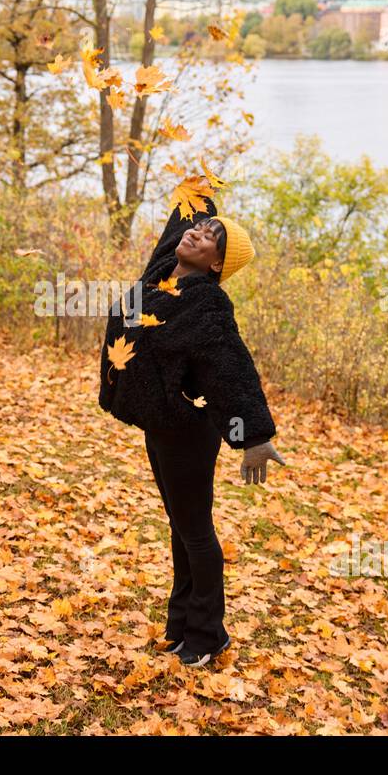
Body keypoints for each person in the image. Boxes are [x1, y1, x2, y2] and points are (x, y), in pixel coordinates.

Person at [98, 192, 285, 668]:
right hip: (161, 424)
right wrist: (198, 195)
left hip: (187, 431)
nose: (197, 234)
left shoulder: (207, 303)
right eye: (199, 228)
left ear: (217, 264)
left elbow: (231, 369)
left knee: (196, 533)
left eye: (209, 238)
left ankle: (207, 635)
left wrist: (254, 437)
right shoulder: (163, 277)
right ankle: (181, 624)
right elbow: (179, 230)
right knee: (181, 528)